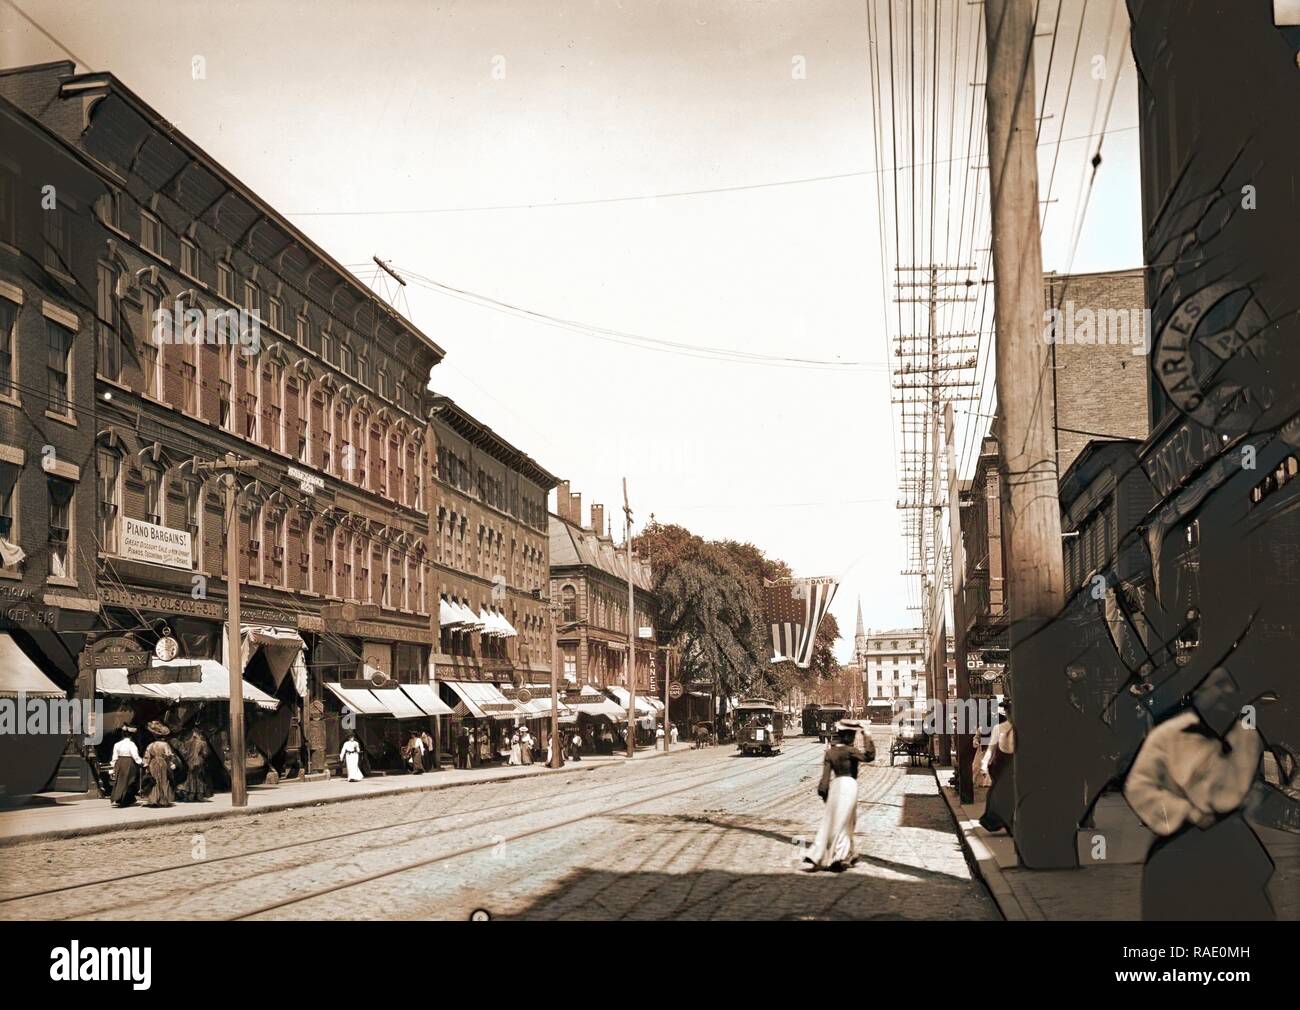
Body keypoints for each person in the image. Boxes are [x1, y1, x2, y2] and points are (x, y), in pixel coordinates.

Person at [802, 725, 868, 872]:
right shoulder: (851, 751)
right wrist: (867, 736)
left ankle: (820, 853)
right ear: (849, 737)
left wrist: (824, 793)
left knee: (829, 822)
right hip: (849, 785)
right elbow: (869, 756)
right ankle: (839, 857)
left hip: (836, 785)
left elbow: (825, 779)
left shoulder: (830, 753)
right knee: (846, 822)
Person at [979, 704, 1016, 833]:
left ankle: (1011, 821)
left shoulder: (1022, 728)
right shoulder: (999, 728)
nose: (1010, 715)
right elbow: (990, 748)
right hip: (999, 766)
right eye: (1008, 712)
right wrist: (984, 764)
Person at [141, 722, 178, 808]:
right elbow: (168, 756)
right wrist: (171, 764)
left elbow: (147, 757)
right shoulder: (165, 745)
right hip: (162, 763)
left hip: (153, 764)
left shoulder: (151, 745)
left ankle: (154, 799)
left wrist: (146, 766)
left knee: (154, 781)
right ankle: (163, 800)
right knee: (163, 781)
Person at [109, 726, 143, 807]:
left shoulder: (117, 744)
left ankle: (119, 798)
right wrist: (140, 762)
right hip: (129, 763)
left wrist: (113, 767)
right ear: (131, 736)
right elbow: (135, 755)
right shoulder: (131, 744)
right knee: (129, 781)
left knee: (120, 781)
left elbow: (114, 757)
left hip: (119, 763)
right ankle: (126, 799)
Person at [180, 728, 213, 802]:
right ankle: (199, 795)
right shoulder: (203, 743)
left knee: (191, 777)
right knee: (200, 778)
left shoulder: (187, 743)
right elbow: (205, 753)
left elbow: (184, 753)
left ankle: (191, 795)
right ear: (199, 734)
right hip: (199, 762)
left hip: (190, 762)